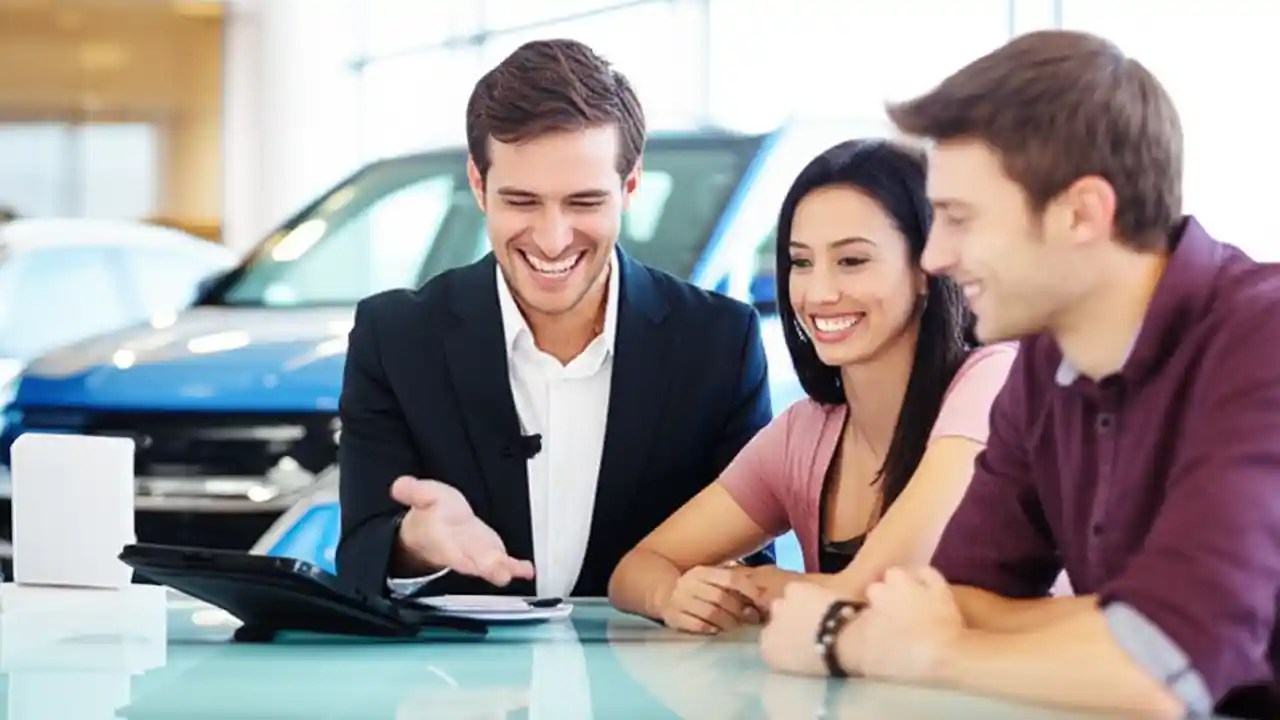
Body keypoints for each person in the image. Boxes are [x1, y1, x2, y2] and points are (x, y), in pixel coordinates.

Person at [761, 29, 1280, 720]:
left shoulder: (1260, 340)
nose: (936, 256)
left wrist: (866, 644)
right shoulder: (1042, 366)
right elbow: (949, 599)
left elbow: (1157, 670)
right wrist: (1102, 628)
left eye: (959, 219)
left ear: (1081, 213)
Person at [336, 38, 773, 600]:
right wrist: (413, 542)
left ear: (630, 187)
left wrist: (710, 589)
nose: (552, 238)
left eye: (584, 203)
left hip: (647, 682)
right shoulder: (395, 339)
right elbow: (359, 560)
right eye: (521, 202)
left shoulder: (719, 343)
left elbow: (747, 561)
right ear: (478, 185)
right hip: (461, 684)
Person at [607, 139, 1017, 633]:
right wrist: (675, 595)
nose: (818, 293)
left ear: (927, 268)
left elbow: (871, 587)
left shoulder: (990, 384)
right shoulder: (804, 435)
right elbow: (635, 569)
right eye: (801, 263)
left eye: (852, 261)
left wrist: (761, 586)